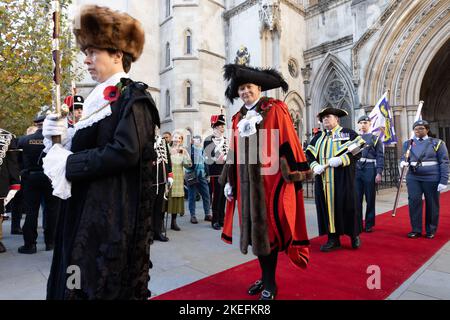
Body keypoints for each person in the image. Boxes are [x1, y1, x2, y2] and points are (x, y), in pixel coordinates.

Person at [41, 5, 159, 299]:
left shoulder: (133, 97)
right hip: (82, 212)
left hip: (109, 221)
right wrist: (59, 138)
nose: (87, 60)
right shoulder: (98, 98)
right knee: (73, 280)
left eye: (94, 52)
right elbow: (89, 148)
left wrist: (70, 162)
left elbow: (125, 152)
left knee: (90, 286)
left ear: (117, 54)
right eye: (86, 52)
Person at [220, 64, 311, 300]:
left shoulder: (274, 109)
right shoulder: (237, 118)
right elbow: (233, 152)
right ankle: (265, 277)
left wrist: (292, 175)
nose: (244, 92)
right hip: (245, 184)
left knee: (269, 234)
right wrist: (230, 181)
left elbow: (288, 141)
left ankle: (271, 283)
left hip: (270, 183)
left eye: (248, 87)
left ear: (259, 88)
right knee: (254, 234)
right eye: (240, 89)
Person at [305, 107, 365, 252]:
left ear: (337, 119)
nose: (325, 119)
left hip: (343, 178)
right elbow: (309, 155)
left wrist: (342, 159)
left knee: (348, 206)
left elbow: (357, 152)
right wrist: (315, 166)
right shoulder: (318, 137)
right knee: (327, 208)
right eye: (323, 118)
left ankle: (354, 235)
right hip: (324, 180)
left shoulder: (348, 134)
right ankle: (333, 239)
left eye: (328, 117)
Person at [17, 109, 60, 254]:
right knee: (52, 211)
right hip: (49, 178)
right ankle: (51, 242)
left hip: (31, 178)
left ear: (36, 125)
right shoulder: (54, 139)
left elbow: (18, 161)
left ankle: (30, 245)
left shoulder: (24, 140)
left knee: (31, 212)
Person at [400, 119, 449, 239]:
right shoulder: (408, 143)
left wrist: (443, 180)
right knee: (414, 202)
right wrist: (402, 162)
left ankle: (430, 230)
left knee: (432, 204)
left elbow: (444, 162)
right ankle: (416, 229)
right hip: (413, 177)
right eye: (416, 128)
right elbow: (404, 157)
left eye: (421, 128)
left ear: (427, 129)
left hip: (432, 177)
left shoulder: (437, 143)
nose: (418, 130)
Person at [355, 115, 384, 232]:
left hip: (369, 169)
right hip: (357, 169)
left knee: (370, 198)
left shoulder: (375, 139)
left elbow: (380, 156)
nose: (363, 125)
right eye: (361, 123)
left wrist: (379, 172)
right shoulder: (355, 138)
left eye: (365, 123)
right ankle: (357, 224)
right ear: (358, 125)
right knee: (356, 198)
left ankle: (369, 224)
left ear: (370, 124)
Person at [204, 114, 228, 230]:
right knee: (216, 196)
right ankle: (215, 220)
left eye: (223, 126)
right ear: (215, 127)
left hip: (225, 171)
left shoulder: (226, 140)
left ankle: (222, 218)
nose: (222, 128)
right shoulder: (208, 140)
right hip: (215, 172)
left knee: (224, 196)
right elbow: (207, 157)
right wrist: (216, 158)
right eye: (220, 126)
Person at [0, 129, 21, 253]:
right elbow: (12, 163)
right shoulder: (7, 136)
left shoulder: (7, 136)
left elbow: (12, 162)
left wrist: (15, 181)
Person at [150, 130, 173, 242]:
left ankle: (157, 232)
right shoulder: (147, 139)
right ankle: (149, 233)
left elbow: (167, 158)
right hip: (152, 179)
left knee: (159, 207)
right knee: (150, 207)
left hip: (162, 179)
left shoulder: (163, 141)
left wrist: (170, 175)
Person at [167, 131, 192, 231]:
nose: (177, 139)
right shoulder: (168, 149)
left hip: (178, 178)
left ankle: (173, 222)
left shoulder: (183, 151)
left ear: (181, 140)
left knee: (176, 201)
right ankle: (160, 224)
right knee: (165, 200)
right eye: (175, 137)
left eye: (179, 138)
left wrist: (186, 155)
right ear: (172, 138)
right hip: (168, 177)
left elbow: (188, 165)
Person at [186, 135, 211, 224]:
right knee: (192, 196)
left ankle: (207, 214)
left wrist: (208, 175)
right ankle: (193, 215)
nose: (197, 142)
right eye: (195, 140)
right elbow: (187, 162)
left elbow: (206, 163)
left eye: (198, 140)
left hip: (202, 174)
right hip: (192, 174)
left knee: (206, 194)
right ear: (192, 141)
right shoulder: (189, 150)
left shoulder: (202, 150)